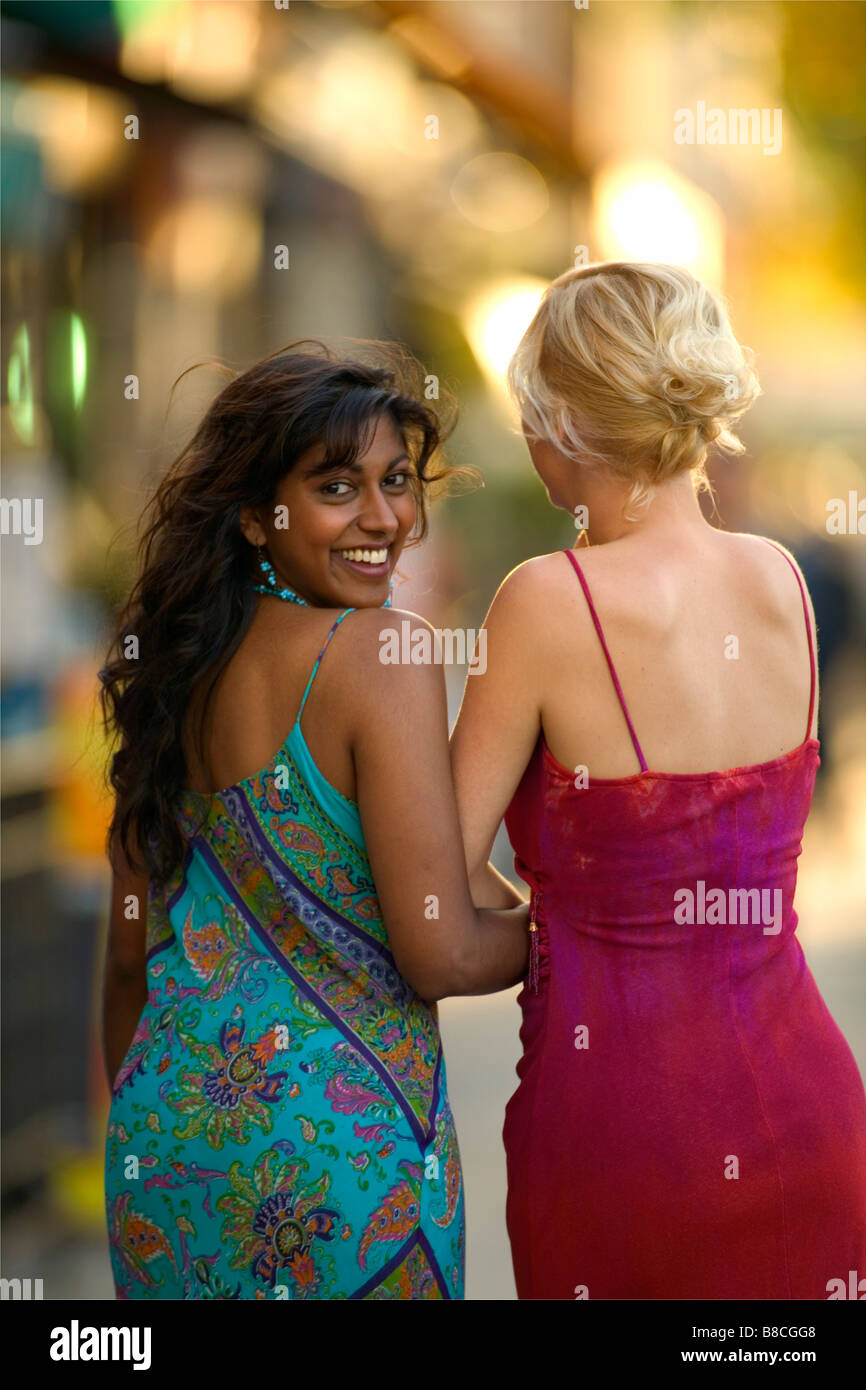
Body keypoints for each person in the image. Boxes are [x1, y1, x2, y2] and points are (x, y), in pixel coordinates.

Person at [449, 262, 866, 1299]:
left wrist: (568, 925)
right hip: (808, 1105)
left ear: (565, 420)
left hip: (621, 1125)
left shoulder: (544, 600)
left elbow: (433, 876)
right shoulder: (781, 581)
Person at [99, 341, 527, 1301]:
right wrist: (593, 926)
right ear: (257, 515)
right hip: (337, 1168)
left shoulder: (172, 674)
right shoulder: (378, 650)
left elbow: (130, 962)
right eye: (338, 488)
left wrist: (152, 1128)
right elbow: (442, 953)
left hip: (166, 1154)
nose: (382, 518)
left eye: (398, 482)